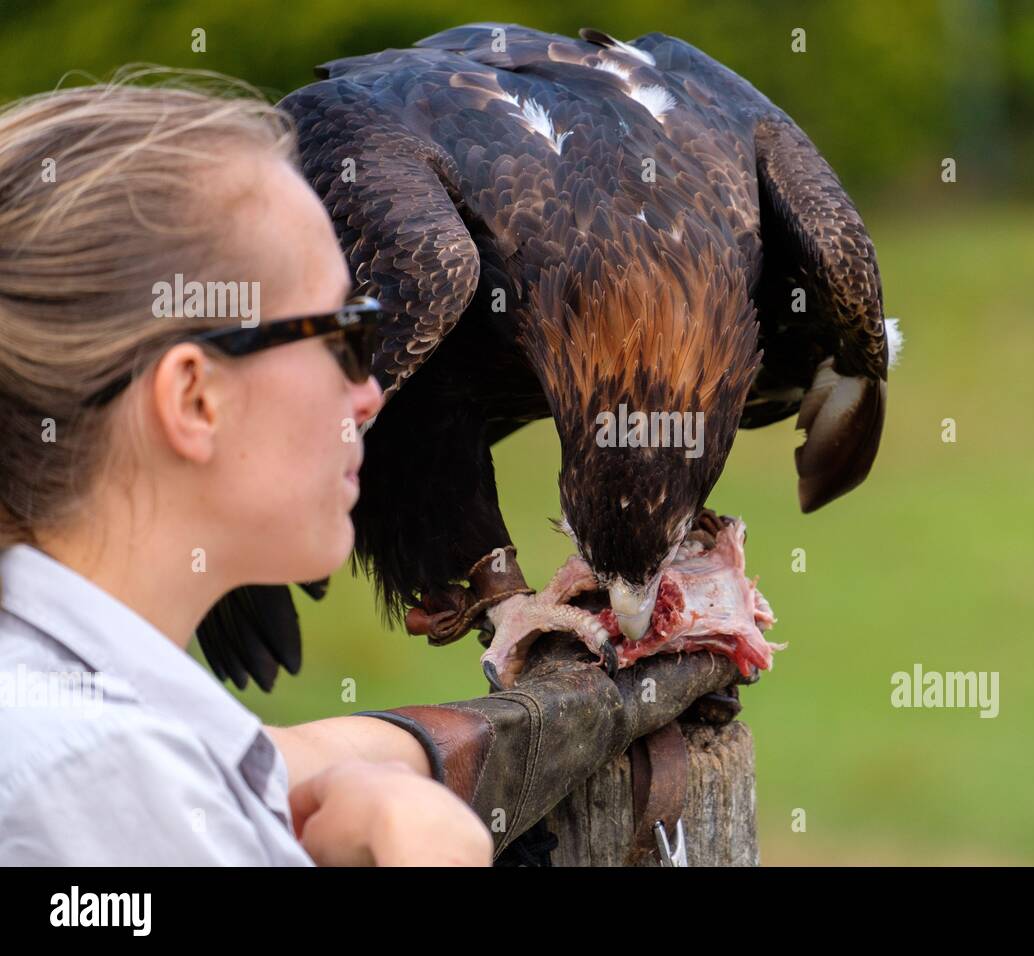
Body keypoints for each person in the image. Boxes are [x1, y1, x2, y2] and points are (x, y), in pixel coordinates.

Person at [0, 72, 744, 867]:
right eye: (343, 334)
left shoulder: (66, 717)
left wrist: (451, 748)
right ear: (194, 399)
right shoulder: (93, 786)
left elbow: (228, 759)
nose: (371, 391)